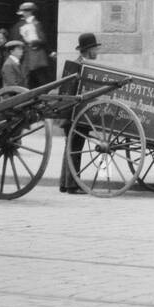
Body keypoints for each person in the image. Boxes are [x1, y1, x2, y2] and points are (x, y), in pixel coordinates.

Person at [60, 32, 100, 193]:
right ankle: (72, 185)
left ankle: (65, 184)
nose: (97, 52)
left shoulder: (82, 65)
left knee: (71, 148)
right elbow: (69, 92)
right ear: (88, 50)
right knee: (74, 149)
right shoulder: (80, 67)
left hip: (78, 115)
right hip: (74, 116)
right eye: (95, 49)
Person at [11, 1, 54, 89]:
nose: (24, 14)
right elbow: (16, 39)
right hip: (25, 55)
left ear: (30, 12)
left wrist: (37, 43)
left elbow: (44, 39)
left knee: (40, 79)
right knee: (27, 78)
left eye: (26, 12)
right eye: (24, 12)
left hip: (37, 56)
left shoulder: (37, 24)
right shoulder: (20, 25)